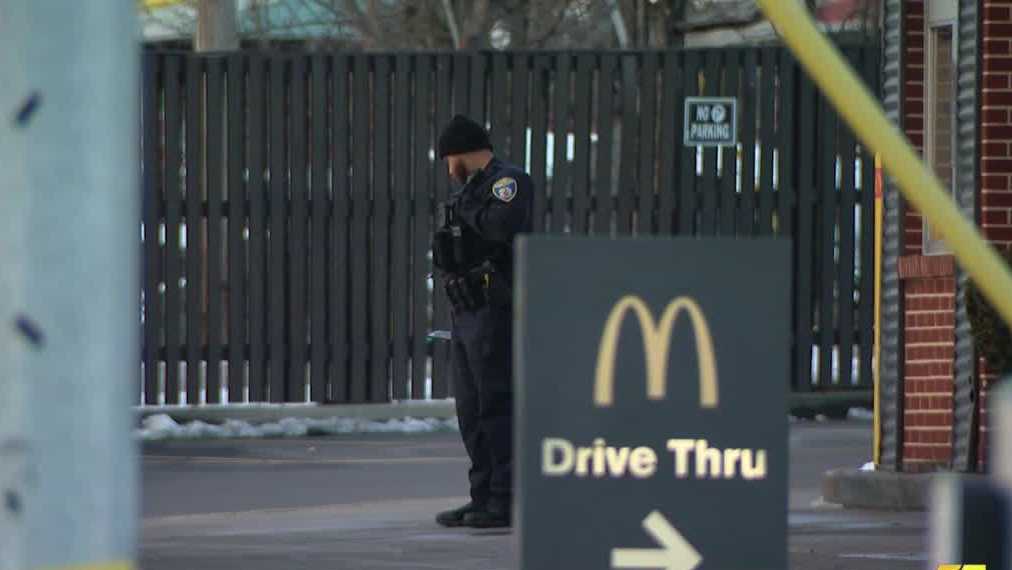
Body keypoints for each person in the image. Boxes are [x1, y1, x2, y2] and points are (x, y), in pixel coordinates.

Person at [431, 115, 533, 529]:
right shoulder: (471, 191)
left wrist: (469, 204)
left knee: (495, 404)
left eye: (448, 160)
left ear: (459, 153)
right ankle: (482, 496)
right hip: (466, 307)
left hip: (495, 308)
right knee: (471, 409)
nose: (448, 169)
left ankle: (504, 499)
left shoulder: (508, 182)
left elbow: (500, 226)